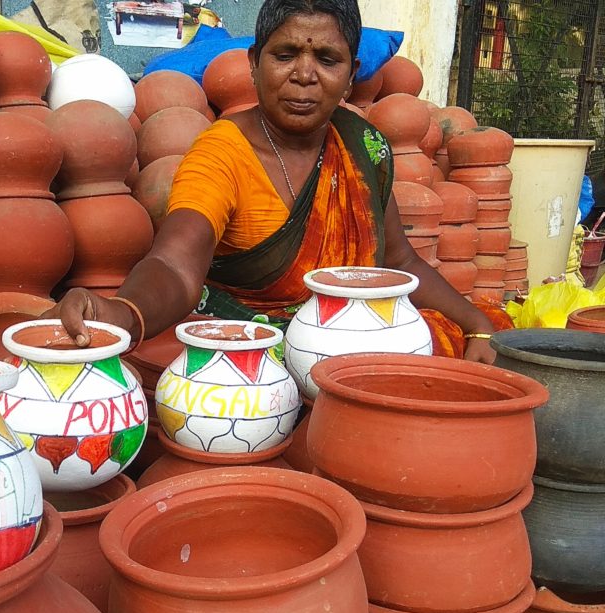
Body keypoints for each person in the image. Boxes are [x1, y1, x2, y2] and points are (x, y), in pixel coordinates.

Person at [45, 0, 507, 363]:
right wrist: (121, 314)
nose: (303, 75)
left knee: (464, 338)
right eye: (285, 54)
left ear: (350, 78)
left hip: (354, 340)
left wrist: (475, 321)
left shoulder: (363, 144)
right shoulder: (222, 152)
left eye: (327, 59)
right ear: (253, 63)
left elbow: (399, 260)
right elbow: (174, 264)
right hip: (256, 346)